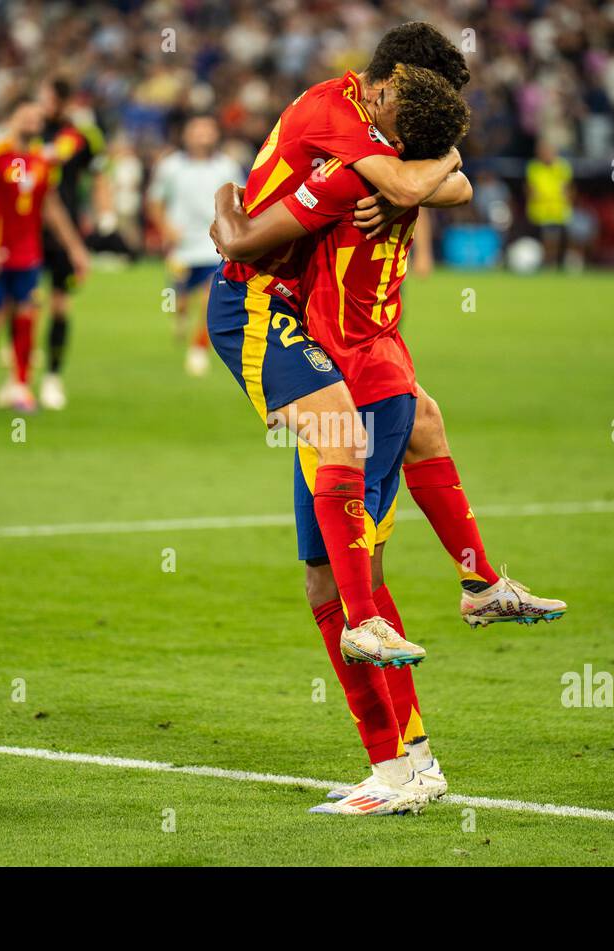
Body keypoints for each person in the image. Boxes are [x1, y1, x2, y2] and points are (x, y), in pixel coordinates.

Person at [211, 63, 472, 816]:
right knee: (345, 563)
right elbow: (243, 239)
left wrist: (431, 173)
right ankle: (400, 761)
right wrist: (225, 206)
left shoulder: (377, 173)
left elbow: (445, 185)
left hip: (334, 349)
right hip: (266, 318)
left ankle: (406, 765)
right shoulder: (352, 161)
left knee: (339, 572)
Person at [0, 96, 89, 412]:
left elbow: (51, 206)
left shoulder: (40, 161)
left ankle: (21, 385)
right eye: (27, 116)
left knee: (27, 315)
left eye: (38, 118)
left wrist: (75, 248)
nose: (34, 122)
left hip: (28, 253)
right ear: (11, 119)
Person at [146, 115, 243, 376]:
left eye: (206, 129)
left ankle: (198, 349)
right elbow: (155, 200)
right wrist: (166, 228)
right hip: (181, 246)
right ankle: (179, 319)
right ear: (186, 134)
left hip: (212, 244)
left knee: (210, 297)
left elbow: (240, 201)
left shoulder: (227, 166)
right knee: (179, 300)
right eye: (196, 130)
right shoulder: (170, 166)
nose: (201, 134)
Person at [35, 77, 106, 410]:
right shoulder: (28, 131)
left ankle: (52, 377)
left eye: (47, 97)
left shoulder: (82, 137)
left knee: (60, 303)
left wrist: (104, 212)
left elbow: (98, 173)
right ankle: (18, 376)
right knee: (21, 301)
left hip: (64, 230)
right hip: (25, 228)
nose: (42, 104)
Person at [526, 139, 573, 269]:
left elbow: (567, 190)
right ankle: (548, 263)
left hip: (559, 210)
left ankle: (556, 263)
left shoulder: (563, 167)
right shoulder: (534, 167)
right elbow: (531, 191)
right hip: (540, 211)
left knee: (559, 239)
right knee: (548, 239)